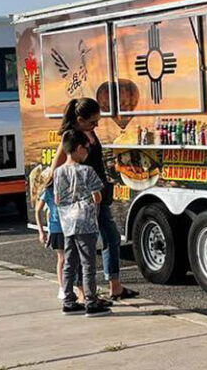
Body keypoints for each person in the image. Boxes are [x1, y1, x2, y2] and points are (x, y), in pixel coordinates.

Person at [49, 97, 139, 301]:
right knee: (81, 246)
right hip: (82, 202)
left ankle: (114, 285)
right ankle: (83, 293)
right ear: (80, 120)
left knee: (111, 237)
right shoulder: (71, 137)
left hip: (99, 196)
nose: (96, 125)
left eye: (98, 121)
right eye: (92, 122)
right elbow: (57, 171)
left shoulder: (89, 131)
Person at [52, 129, 109, 317]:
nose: (87, 152)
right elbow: (97, 196)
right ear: (78, 148)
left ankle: (68, 301)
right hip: (85, 221)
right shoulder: (87, 171)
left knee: (70, 262)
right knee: (88, 263)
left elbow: (57, 198)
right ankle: (91, 302)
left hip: (67, 222)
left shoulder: (58, 172)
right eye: (86, 148)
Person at [35, 166, 78, 302]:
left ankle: (71, 285)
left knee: (72, 258)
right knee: (62, 258)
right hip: (56, 229)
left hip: (69, 227)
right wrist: (41, 231)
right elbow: (38, 210)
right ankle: (62, 287)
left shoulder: (68, 189)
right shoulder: (47, 191)